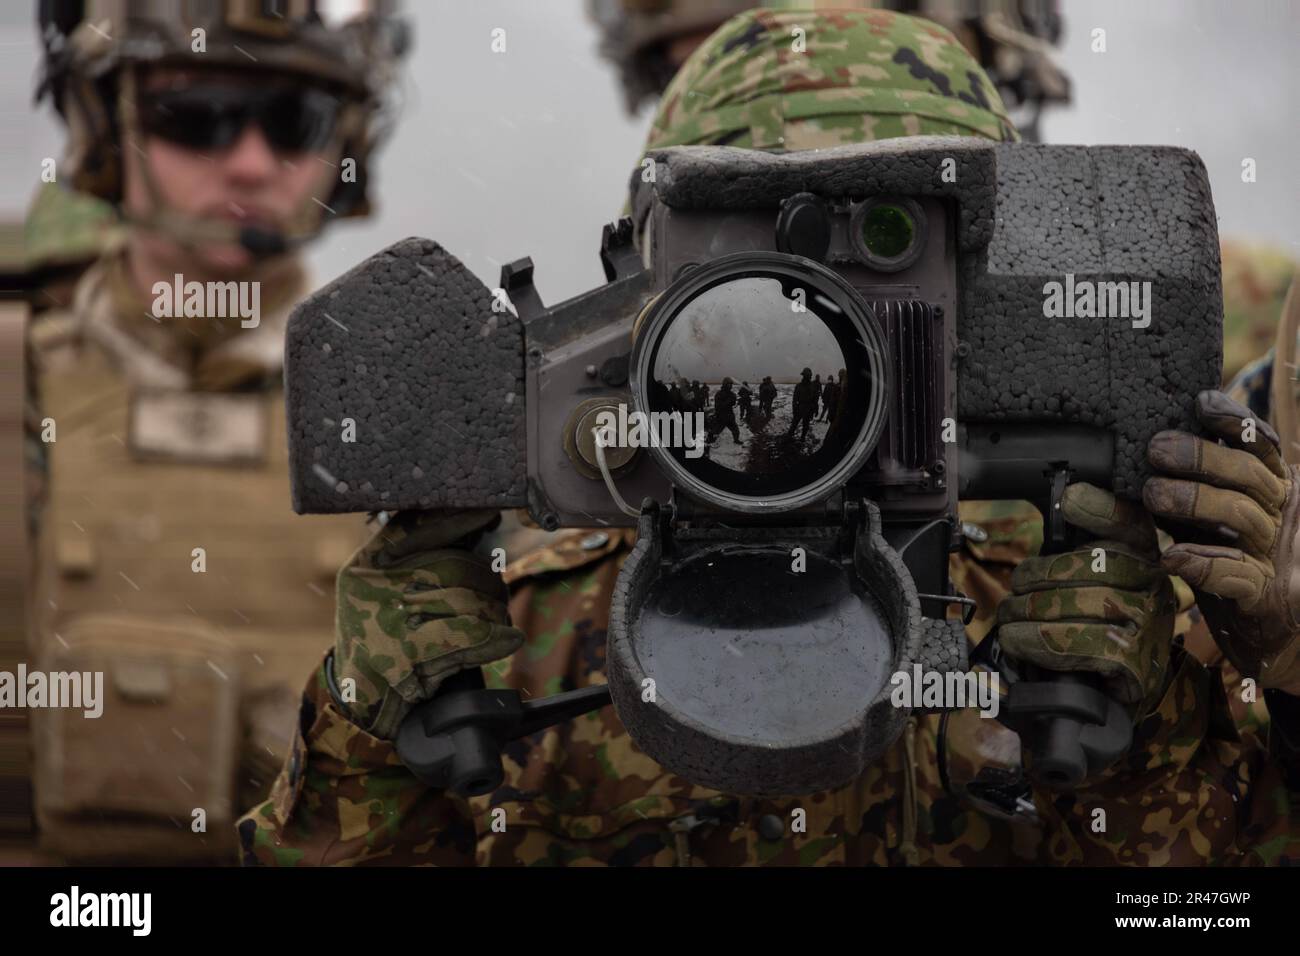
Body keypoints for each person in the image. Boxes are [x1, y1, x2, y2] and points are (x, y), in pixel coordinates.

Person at [239, 9, 1296, 867]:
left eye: (895, 271)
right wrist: (373, 725)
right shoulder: (527, 631)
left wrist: (1145, 728)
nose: (828, 331)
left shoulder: (1086, 620)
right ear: (634, 293)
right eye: (754, 281)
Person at [18, 0, 407, 865]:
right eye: (195, 118)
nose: (251, 163)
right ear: (103, 129)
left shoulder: (407, 412)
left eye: (294, 123)